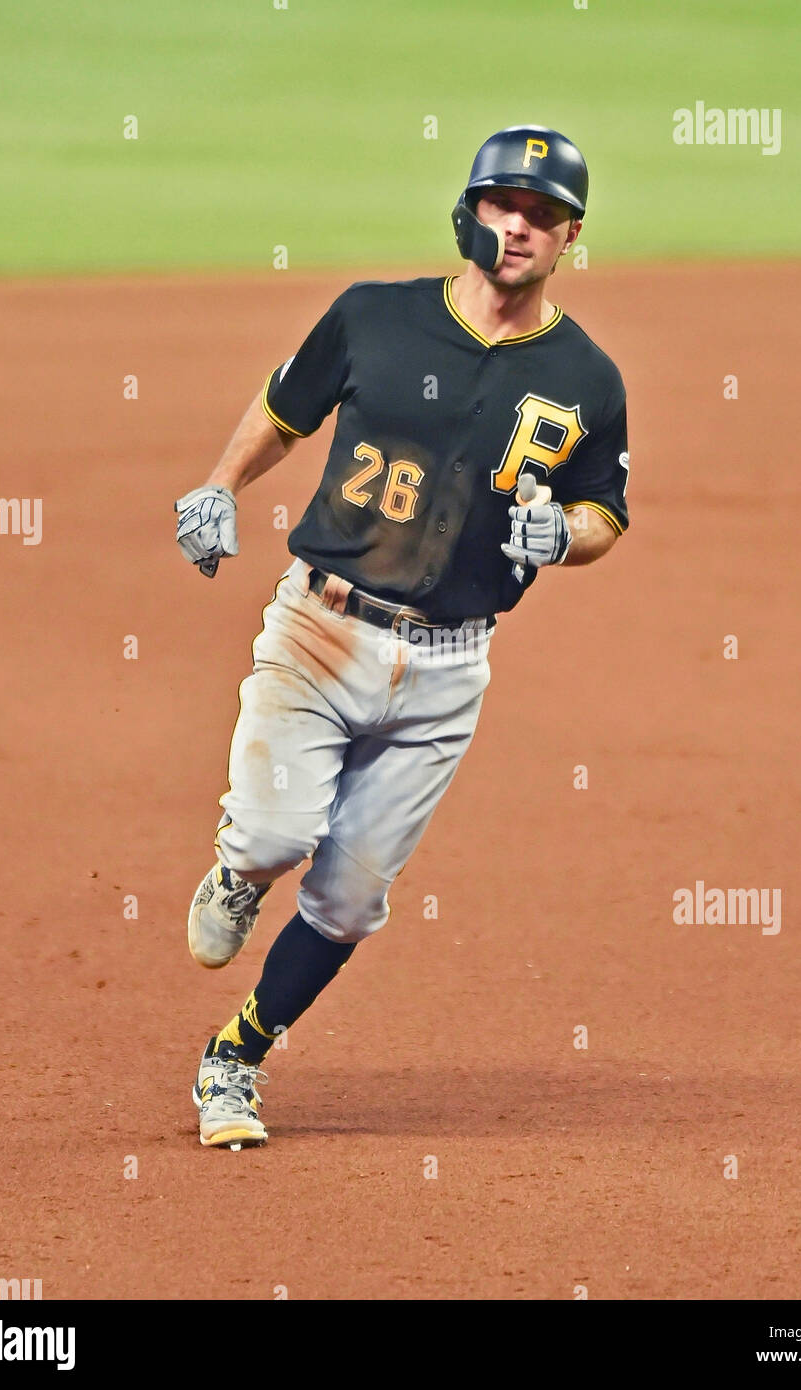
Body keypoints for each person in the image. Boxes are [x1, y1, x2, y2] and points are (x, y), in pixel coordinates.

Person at [174, 124, 630, 1149]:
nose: (519, 226)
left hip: (449, 666)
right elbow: (287, 408)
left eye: (543, 214)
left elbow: (608, 510)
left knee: (347, 900)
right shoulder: (372, 316)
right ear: (468, 212)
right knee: (277, 837)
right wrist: (219, 484)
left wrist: (568, 533)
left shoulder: (589, 380)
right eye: (503, 205)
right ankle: (237, 871)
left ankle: (234, 1059)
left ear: (570, 238)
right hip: (320, 631)